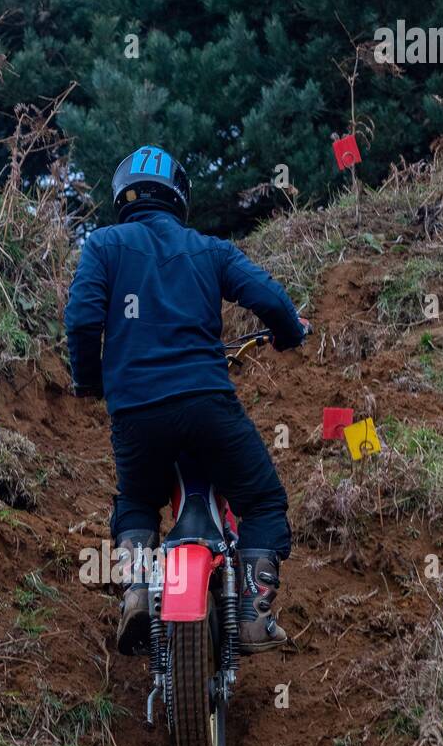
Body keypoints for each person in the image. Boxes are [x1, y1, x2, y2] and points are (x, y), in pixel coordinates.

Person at [65, 144, 308, 655]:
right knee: (263, 500)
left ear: (122, 195)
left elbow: (83, 319)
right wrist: (288, 333)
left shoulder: (104, 245)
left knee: (136, 500)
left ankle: (135, 590)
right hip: (205, 404)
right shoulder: (209, 249)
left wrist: (91, 381)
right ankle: (254, 614)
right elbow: (272, 300)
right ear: (179, 195)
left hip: (135, 415)